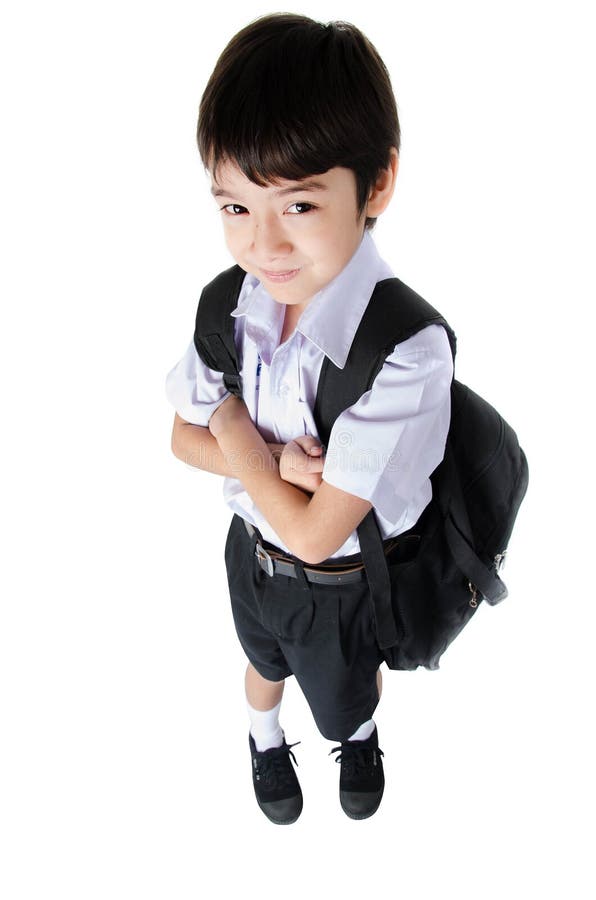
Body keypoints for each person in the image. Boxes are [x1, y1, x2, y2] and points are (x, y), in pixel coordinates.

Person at [165, 12, 453, 824]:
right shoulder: (232, 305)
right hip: (250, 558)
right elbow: (176, 439)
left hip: (344, 583)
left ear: (378, 184)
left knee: (344, 694)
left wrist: (230, 426)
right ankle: (261, 735)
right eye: (232, 207)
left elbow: (320, 534)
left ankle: (354, 736)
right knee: (259, 662)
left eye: (297, 204)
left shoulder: (405, 349)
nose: (263, 246)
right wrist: (271, 463)